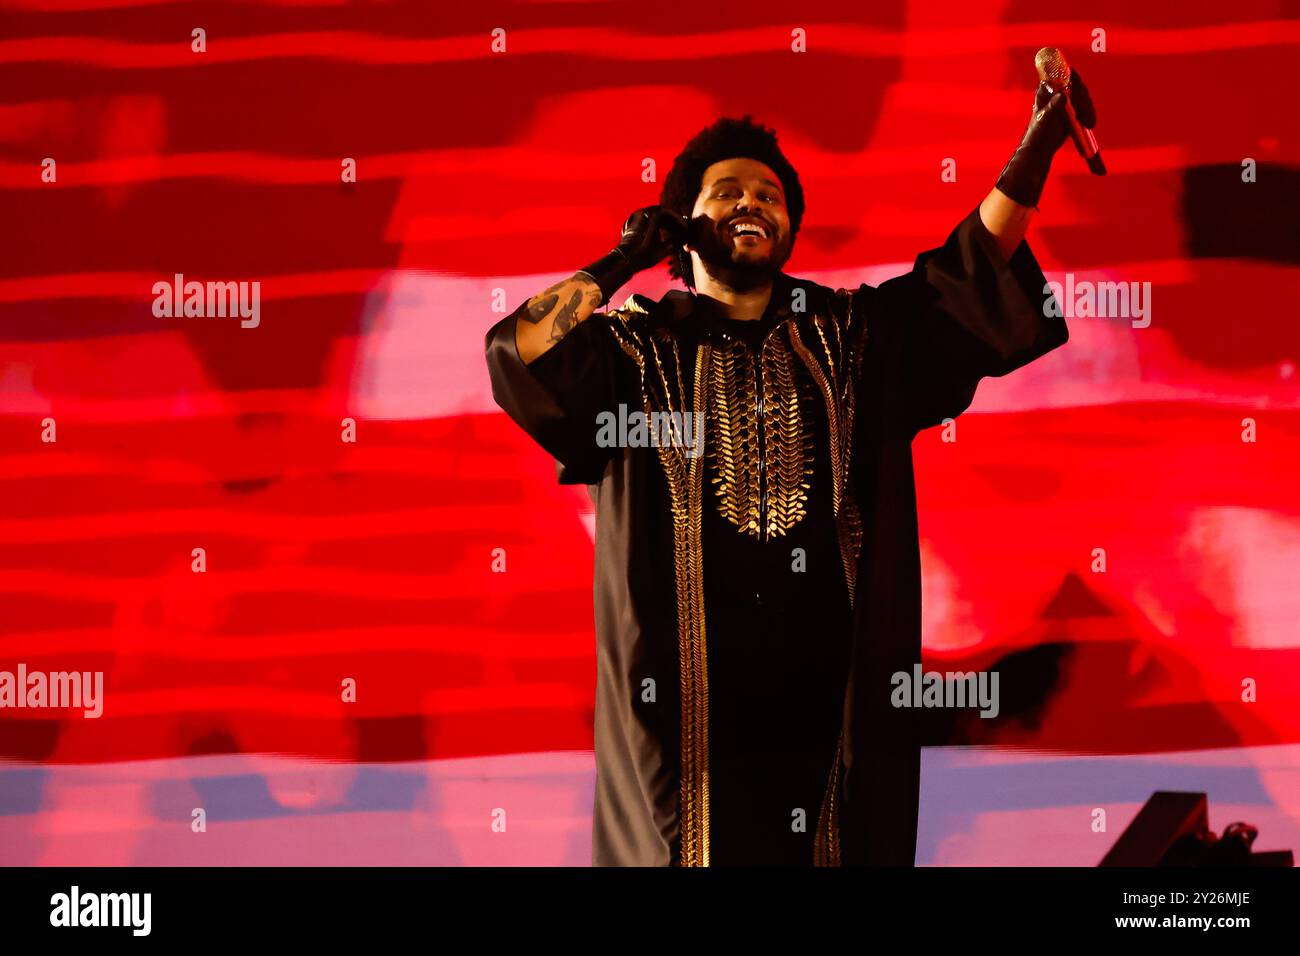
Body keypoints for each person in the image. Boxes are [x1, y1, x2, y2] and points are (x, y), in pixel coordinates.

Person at [485, 72, 1095, 866]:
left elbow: (968, 270)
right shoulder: (631, 354)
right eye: (727, 190)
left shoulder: (850, 338)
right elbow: (520, 352)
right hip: (682, 737)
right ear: (682, 225)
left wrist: (1037, 144)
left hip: (826, 730)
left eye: (770, 196)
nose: (751, 203)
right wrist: (620, 261)